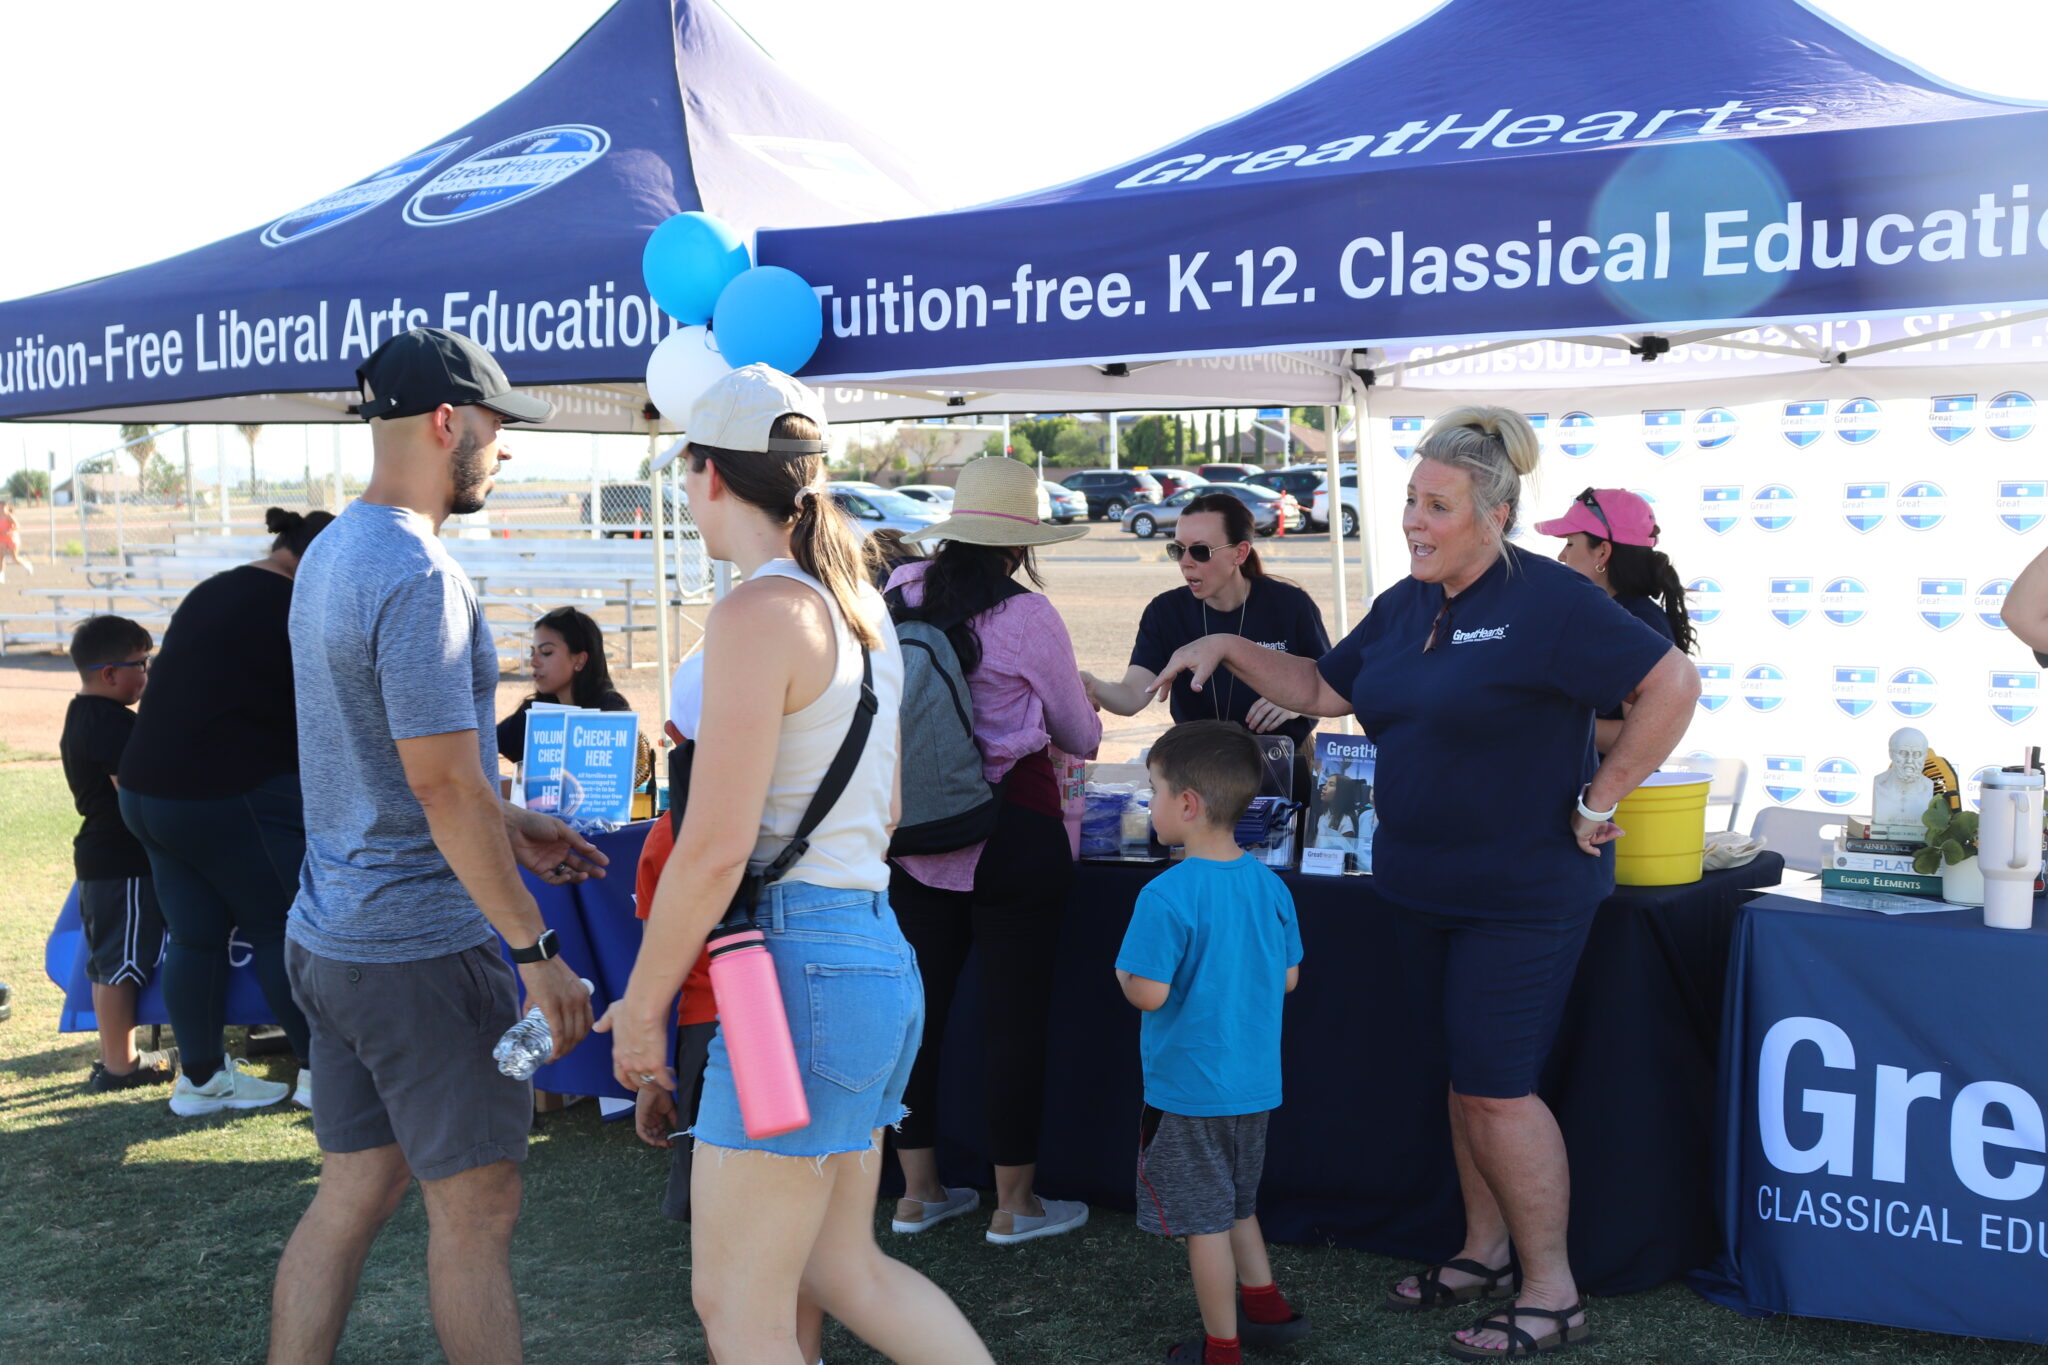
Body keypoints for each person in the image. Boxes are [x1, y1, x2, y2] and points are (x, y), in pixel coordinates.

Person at [1146, 407, 1697, 1359]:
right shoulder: (1408, 602)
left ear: (1495, 511)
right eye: (1409, 501)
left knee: (1498, 1089)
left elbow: (1673, 685)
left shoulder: (1551, 602)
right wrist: (1225, 647)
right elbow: (1325, 686)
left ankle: (1553, 1290)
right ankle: (1483, 1251)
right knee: (1466, 1081)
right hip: (1420, 884)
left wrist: (1602, 796)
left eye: (1436, 506)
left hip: (1521, 894)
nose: (1412, 521)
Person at [596, 364, 992, 1365]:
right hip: (860, 956)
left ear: (707, 475)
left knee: (739, 1307)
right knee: (839, 1272)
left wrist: (642, 1007)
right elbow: (887, 810)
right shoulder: (857, 613)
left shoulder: (757, 614)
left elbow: (714, 846)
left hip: (798, 971)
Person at [268, 327, 607, 1365]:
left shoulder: (329, 550)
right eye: (499, 428)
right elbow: (439, 780)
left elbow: (406, 768)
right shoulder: (417, 574)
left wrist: (513, 824)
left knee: (354, 1190)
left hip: (334, 935)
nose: (507, 451)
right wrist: (535, 951)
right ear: (448, 422)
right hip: (417, 949)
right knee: (478, 1213)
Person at [884, 455, 1102, 1244]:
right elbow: (1080, 733)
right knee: (1015, 1023)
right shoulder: (1029, 616)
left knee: (917, 1018)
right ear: (1020, 545)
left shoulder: (901, 589)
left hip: (915, 834)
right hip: (1013, 831)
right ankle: (1015, 1205)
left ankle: (917, 1192)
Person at [119, 508, 332, 1117]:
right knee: (281, 927)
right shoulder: (290, 605)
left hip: (145, 791)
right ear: (317, 561)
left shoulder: (216, 587)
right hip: (221, 791)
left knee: (194, 936)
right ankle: (323, 1074)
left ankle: (203, 1079)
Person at [1115, 721, 1307, 1365]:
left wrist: (1122, 973)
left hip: (1188, 1092)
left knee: (1204, 1225)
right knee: (1238, 1205)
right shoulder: (1269, 884)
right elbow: (1288, 978)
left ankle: (1221, 1350)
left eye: (1155, 790)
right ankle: (1267, 1309)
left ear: (1188, 804)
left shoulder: (1164, 893)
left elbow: (1149, 993)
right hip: (1253, 1085)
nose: (1151, 803)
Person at [1083, 491, 1328, 780]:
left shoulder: (1290, 605)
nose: (1186, 562)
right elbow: (1133, 695)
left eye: (1200, 551)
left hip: (1281, 764)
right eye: (1177, 550)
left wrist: (1295, 702)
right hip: (1200, 769)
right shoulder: (1165, 611)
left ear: (1240, 553)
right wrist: (1093, 685)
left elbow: (1329, 682)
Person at [60, 614, 173, 1092]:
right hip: (121, 860)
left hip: (104, 858)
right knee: (121, 964)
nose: (146, 673)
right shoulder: (111, 724)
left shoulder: (83, 712)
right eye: (140, 664)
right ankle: (121, 1066)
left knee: (112, 962)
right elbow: (136, 795)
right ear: (110, 673)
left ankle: (117, 1059)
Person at [1534, 488, 1695, 754]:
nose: (1561, 556)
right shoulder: (1609, 614)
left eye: (1570, 543)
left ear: (1602, 553)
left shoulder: (1639, 622)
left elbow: (1644, 735)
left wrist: (1544, 722)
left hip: (1610, 793)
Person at [495, 606, 652, 792]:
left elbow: (607, 785)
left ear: (580, 660)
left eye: (546, 652)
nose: (534, 662)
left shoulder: (610, 711)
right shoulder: (532, 713)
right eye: (532, 652)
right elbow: (478, 746)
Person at [0, 499, 31, 581]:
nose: (2, 507)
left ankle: (27, 565)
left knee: (14, 558)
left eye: (3, 506)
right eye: (1, 506)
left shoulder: (9, 516)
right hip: (2, 539)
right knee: (1, 557)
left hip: (12, 538)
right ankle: (1, 576)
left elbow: (18, 526)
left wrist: (9, 531)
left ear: (7, 507)